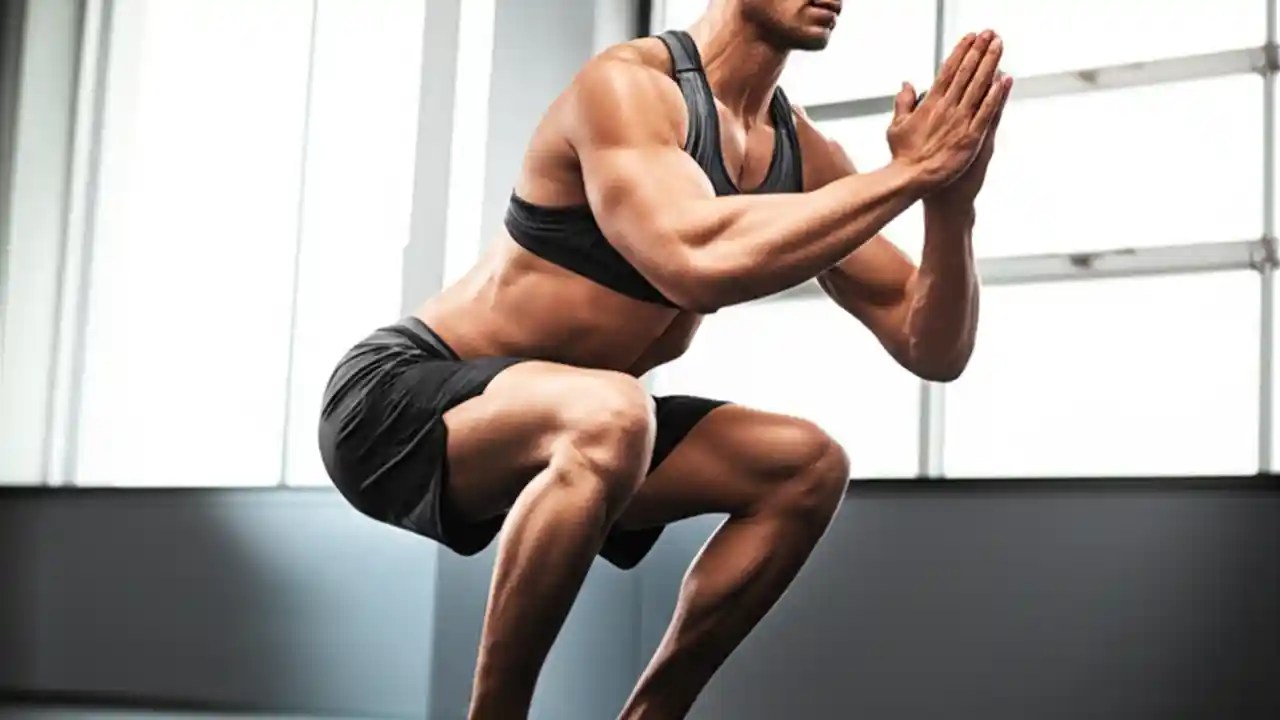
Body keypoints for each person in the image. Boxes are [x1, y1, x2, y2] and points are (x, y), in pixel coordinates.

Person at [318, 0, 1011, 717]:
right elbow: (694, 258)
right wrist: (905, 175)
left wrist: (948, 205)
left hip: (580, 427)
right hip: (400, 404)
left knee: (804, 466)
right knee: (614, 414)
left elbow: (932, 346)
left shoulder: (799, 154)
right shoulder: (629, 87)